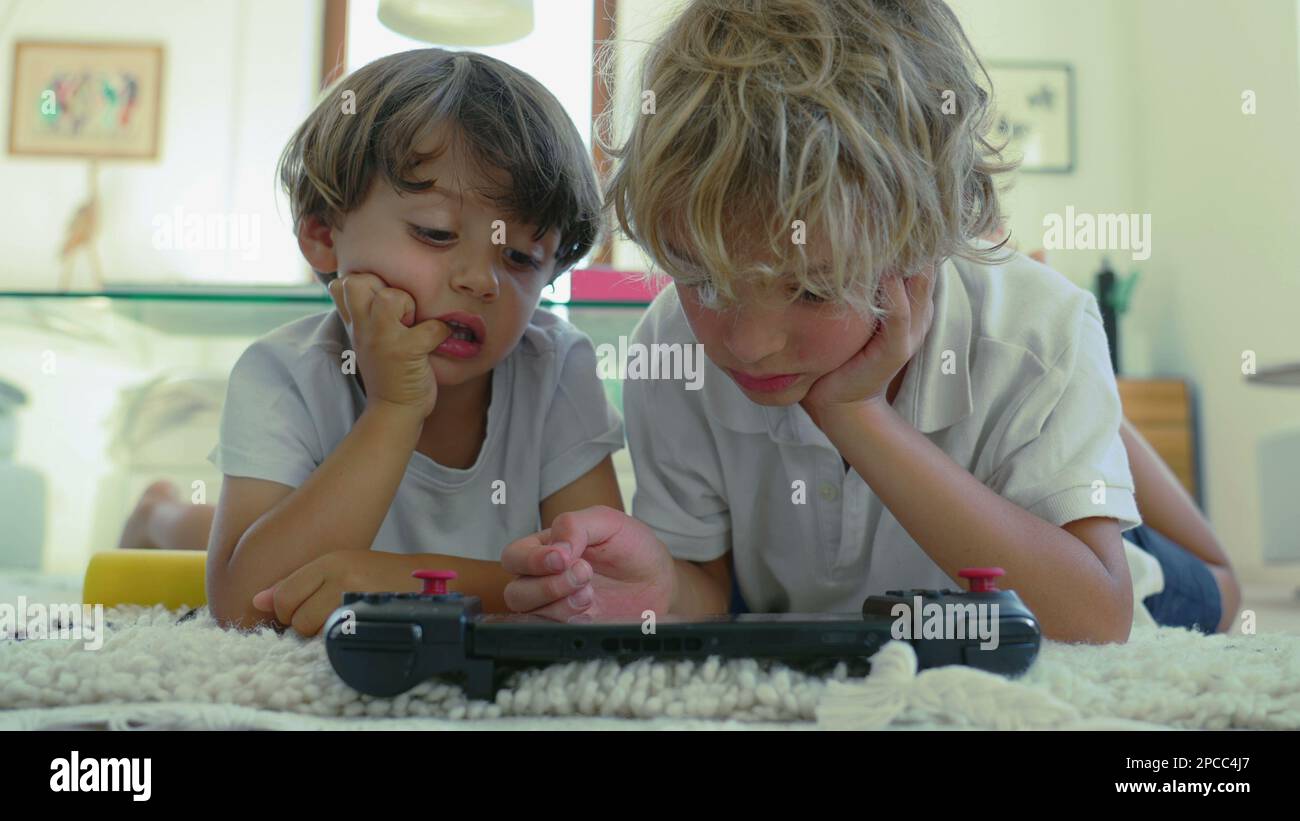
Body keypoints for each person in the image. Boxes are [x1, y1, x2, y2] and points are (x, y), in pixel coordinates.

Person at [498, 0, 1240, 641]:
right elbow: (706, 586)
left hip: (1054, 538)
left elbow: (1097, 619)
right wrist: (663, 585)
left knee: (1220, 589)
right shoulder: (676, 343)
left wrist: (857, 414)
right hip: (843, 585)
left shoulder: (1038, 327)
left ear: (924, 248)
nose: (748, 343)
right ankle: (1095, 426)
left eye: (814, 291)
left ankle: (1105, 441)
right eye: (703, 280)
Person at [118, 49, 628, 637]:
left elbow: (601, 588)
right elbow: (242, 605)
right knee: (206, 536)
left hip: (345, 547)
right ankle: (157, 516)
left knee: (244, 539)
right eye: (435, 233)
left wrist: (393, 580)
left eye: (520, 257)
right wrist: (396, 407)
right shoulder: (282, 371)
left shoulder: (557, 368)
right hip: (284, 526)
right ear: (321, 236)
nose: (481, 280)